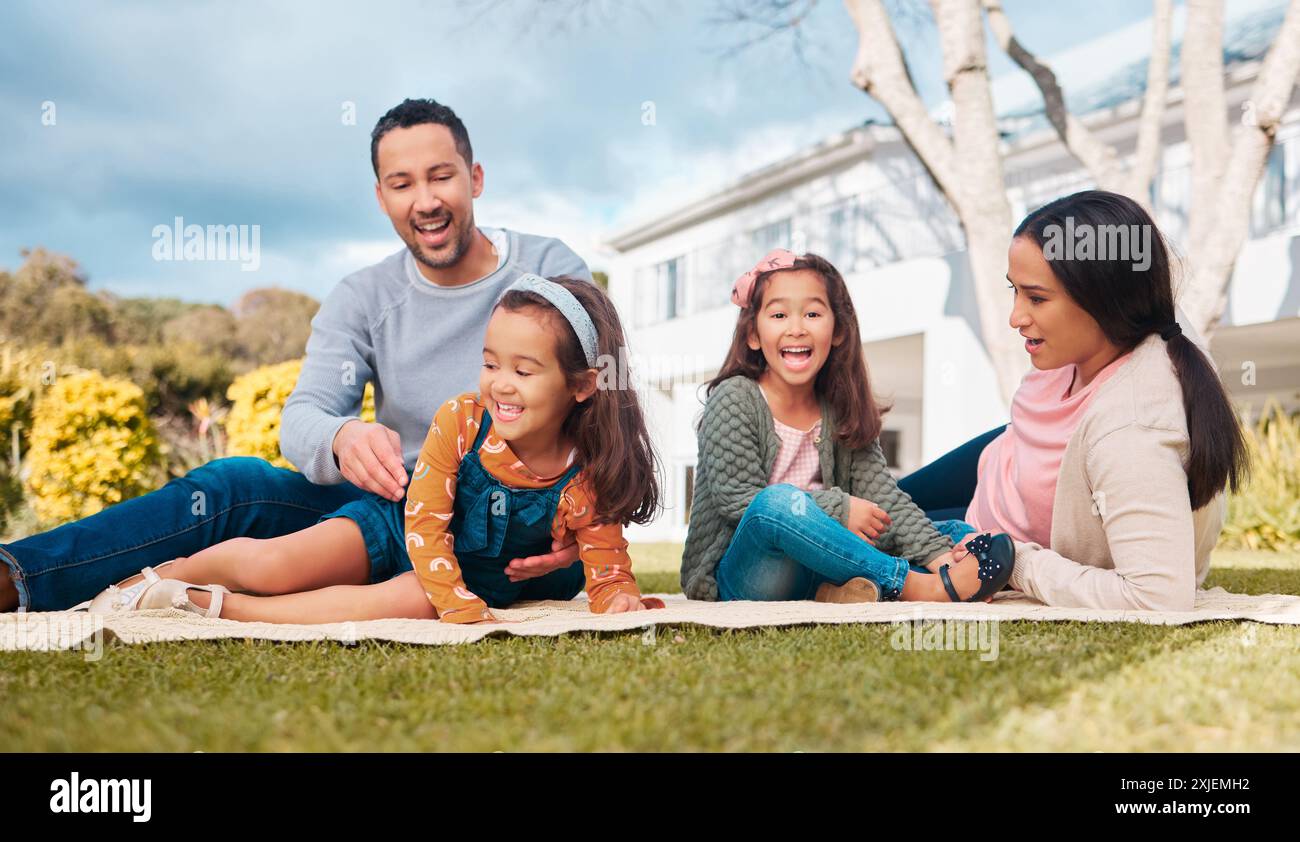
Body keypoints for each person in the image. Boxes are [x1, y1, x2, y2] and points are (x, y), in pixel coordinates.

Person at [1, 98, 591, 613]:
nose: (426, 201)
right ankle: (18, 577)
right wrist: (341, 438)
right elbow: (303, 414)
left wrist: (569, 521)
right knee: (234, 482)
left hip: (518, 516)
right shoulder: (363, 295)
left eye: (442, 177)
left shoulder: (546, 271)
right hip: (389, 502)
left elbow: (603, 402)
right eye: (402, 183)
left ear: (476, 178)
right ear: (381, 196)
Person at [85, 276, 665, 623]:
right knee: (275, 563)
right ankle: (159, 574)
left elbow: (606, 562)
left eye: (524, 369)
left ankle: (205, 605)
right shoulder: (462, 420)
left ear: (584, 384)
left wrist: (618, 597)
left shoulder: (586, 471)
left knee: (407, 602)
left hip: (473, 576)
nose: (500, 383)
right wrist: (451, 596)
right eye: (490, 363)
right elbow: (427, 519)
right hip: (397, 524)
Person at [906, 190, 1248, 611]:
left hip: (990, 533)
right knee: (856, 504)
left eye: (1036, 297)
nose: (1015, 317)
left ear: (1102, 299)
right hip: (1006, 458)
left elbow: (1157, 596)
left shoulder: (1133, 429)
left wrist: (1017, 563)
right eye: (1014, 291)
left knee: (849, 542)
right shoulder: (1125, 319)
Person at [680, 250, 1016, 605]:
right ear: (752, 334)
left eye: (812, 314)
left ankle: (845, 590)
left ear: (838, 330)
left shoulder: (840, 407)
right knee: (775, 503)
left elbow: (884, 497)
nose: (796, 328)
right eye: (779, 315)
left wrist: (939, 556)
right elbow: (738, 501)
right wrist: (838, 509)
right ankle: (913, 585)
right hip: (749, 573)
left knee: (952, 534)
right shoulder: (735, 398)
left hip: (824, 558)